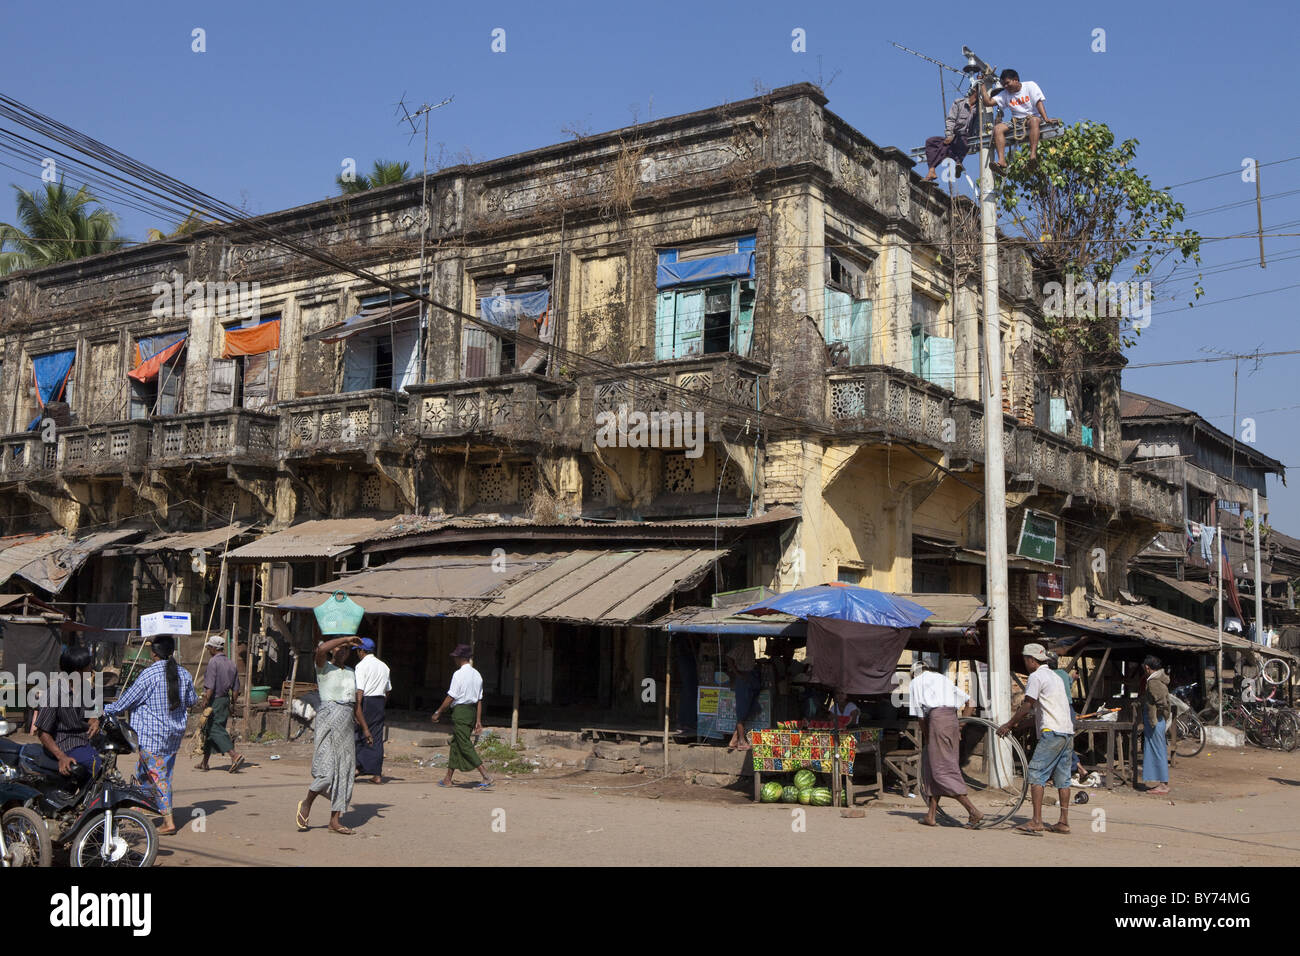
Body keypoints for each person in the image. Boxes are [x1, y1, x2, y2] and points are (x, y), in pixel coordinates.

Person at [104, 635, 197, 836]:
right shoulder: (184, 674)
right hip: (172, 735)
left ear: (153, 653)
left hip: (151, 736)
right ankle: (139, 807)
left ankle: (168, 820)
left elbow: (125, 701)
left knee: (158, 775)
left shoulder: (149, 674)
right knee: (147, 771)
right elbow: (192, 700)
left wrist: (104, 711)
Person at [997, 643, 1074, 835]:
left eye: (1025, 660)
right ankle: (1063, 822)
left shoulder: (1036, 676)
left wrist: (1009, 724)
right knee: (1063, 779)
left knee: (1036, 774)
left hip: (1052, 731)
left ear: (1031, 660)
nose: (1025, 663)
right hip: (1066, 730)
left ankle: (1037, 821)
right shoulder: (1056, 677)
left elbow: (1027, 705)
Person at [297, 636, 368, 835]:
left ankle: (334, 821)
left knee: (345, 772)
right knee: (326, 772)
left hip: (346, 723)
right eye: (339, 648)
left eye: (346, 649)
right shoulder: (324, 667)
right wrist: (345, 638)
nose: (342, 652)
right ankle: (307, 802)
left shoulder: (352, 672)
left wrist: (365, 728)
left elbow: (355, 705)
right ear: (333, 650)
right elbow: (319, 650)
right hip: (328, 719)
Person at [908, 659, 983, 828]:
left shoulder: (916, 683)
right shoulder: (941, 678)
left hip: (937, 722)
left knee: (942, 770)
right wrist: (960, 725)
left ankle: (973, 810)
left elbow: (920, 717)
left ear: (913, 673)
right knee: (935, 766)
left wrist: (927, 737)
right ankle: (931, 815)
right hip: (951, 720)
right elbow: (970, 702)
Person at [35, 644, 100, 778]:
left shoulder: (86, 688)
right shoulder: (54, 693)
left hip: (85, 740)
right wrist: (61, 756)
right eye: (88, 666)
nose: (91, 669)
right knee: (96, 765)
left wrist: (94, 720)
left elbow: (89, 714)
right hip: (65, 743)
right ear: (77, 672)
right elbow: (42, 732)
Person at [432, 644, 493, 789]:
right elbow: (479, 699)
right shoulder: (477, 674)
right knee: (456, 743)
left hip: (461, 712)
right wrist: (478, 720)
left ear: (460, 658)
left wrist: (438, 711)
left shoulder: (458, 674)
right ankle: (448, 778)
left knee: (464, 744)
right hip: (471, 713)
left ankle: (485, 775)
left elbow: (451, 696)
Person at [981, 69, 1061, 170]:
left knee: (1034, 121)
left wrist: (1045, 118)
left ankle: (1032, 156)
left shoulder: (1030, 86)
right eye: (1003, 85)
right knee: (997, 129)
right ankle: (1001, 161)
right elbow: (988, 102)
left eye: (1007, 83)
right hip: (1016, 121)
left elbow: (1038, 102)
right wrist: (982, 85)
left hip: (1031, 118)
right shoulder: (1005, 93)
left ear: (1015, 80)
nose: (1005, 86)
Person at [196, 634, 243, 773]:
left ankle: (234, 755)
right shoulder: (231, 663)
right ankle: (204, 762)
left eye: (209, 647)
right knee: (210, 730)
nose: (208, 650)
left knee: (214, 729)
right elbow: (236, 688)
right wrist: (233, 705)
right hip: (225, 700)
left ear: (213, 648)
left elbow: (210, 686)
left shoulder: (213, 662)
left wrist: (205, 700)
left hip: (215, 700)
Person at [353, 638, 391, 784]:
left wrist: (357, 708)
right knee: (376, 736)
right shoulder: (384, 666)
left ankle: (358, 768)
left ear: (362, 651)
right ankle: (377, 774)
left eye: (358, 651)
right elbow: (388, 690)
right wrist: (381, 704)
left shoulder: (361, 666)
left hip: (366, 702)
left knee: (361, 734)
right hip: (379, 701)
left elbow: (360, 690)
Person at [924, 85, 979, 182]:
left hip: (966, 138)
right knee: (931, 142)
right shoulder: (959, 103)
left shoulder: (980, 109)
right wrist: (949, 135)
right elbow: (951, 120)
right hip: (954, 136)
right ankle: (932, 169)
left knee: (961, 138)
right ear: (975, 90)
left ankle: (958, 162)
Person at [1140, 655, 1171, 795]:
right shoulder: (1159, 679)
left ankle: (1163, 784)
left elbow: (1161, 702)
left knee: (1158, 751)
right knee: (1158, 750)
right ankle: (1162, 782)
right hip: (1158, 721)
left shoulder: (1153, 682)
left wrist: (1156, 715)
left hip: (1156, 721)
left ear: (1147, 667)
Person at [725, 637, 759, 751]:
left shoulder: (751, 642)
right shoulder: (744, 642)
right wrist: (738, 674)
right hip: (744, 677)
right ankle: (741, 741)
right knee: (742, 710)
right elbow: (729, 657)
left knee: (749, 709)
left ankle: (734, 739)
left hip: (750, 676)